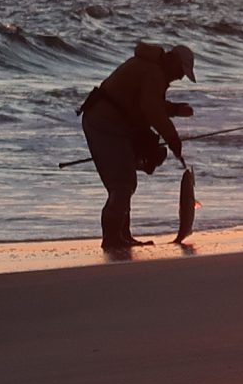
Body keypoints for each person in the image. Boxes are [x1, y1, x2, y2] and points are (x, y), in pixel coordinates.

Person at [78, 42, 196, 249]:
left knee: (125, 181)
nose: (179, 78)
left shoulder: (152, 70)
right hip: (104, 124)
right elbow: (151, 109)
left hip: (114, 123)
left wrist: (176, 109)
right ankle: (112, 239)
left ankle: (123, 235)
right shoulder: (153, 73)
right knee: (123, 184)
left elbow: (147, 104)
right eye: (181, 72)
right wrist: (172, 138)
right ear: (174, 62)